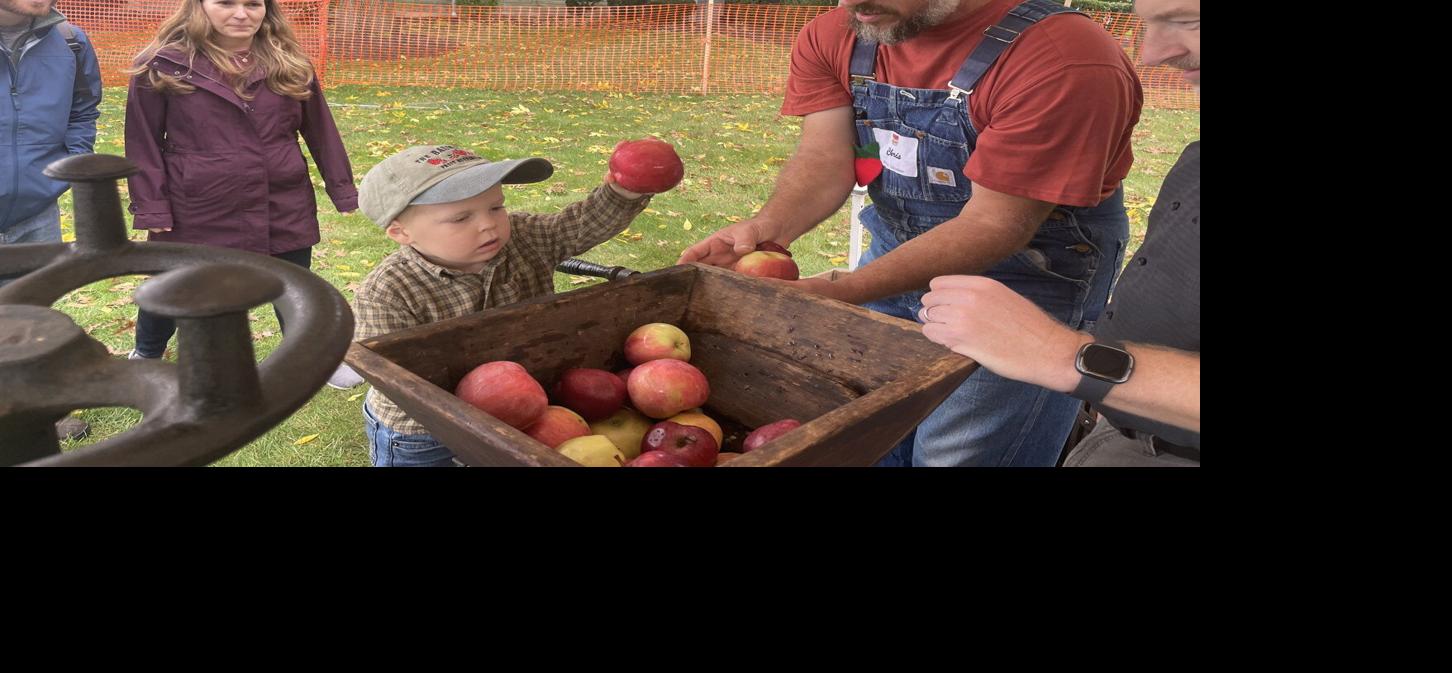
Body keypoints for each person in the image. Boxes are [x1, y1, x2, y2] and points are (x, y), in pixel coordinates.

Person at [680, 0, 1141, 467]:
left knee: (956, 456)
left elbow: (995, 223)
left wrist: (846, 291)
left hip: (1024, 278)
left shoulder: (1062, 58)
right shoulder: (841, 31)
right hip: (892, 253)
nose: (853, 4)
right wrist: (767, 228)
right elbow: (825, 159)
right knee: (869, 435)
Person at [918, 0, 1199, 466]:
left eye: (1188, 21)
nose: (1151, 54)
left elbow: (996, 223)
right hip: (1127, 434)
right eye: (1148, 24)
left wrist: (1062, 354)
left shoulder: (1066, 59)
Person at [353, 144, 664, 467]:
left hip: (517, 403)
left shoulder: (524, 238)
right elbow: (394, 374)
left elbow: (579, 225)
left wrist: (623, 192)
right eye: (461, 218)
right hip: (425, 430)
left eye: (496, 207)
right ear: (401, 232)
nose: (488, 224)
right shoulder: (388, 293)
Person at [124, 0, 360, 389]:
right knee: (175, 282)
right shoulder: (163, 65)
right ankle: (147, 353)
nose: (241, 13)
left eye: (253, 4)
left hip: (280, 197)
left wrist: (342, 188)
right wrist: (152, 206)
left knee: (294, 282)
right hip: (197, 200)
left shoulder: (289, 62)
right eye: (226, 2)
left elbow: (321, 129)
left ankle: (312, 357)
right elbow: (142, 141)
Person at [1, 0, 102, 440]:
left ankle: (34, 407)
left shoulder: (70, 41)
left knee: (30, 312)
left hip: (36, 207)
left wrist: (66, 166)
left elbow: (84, 108)